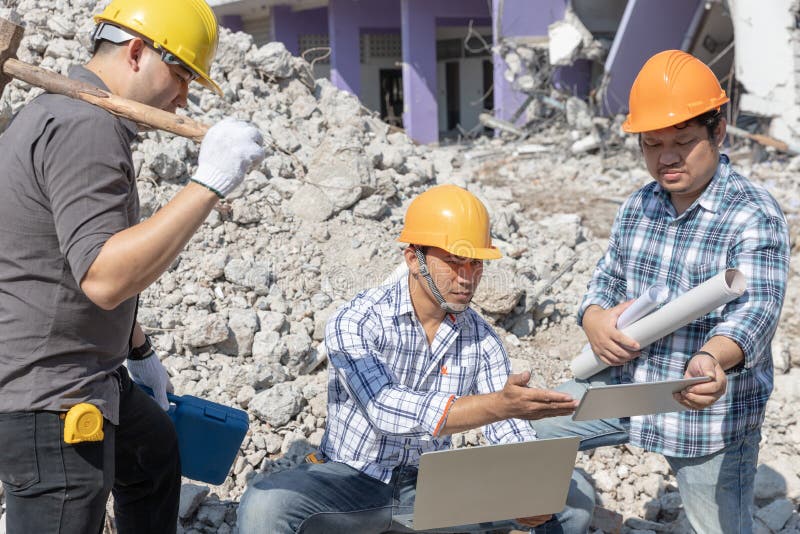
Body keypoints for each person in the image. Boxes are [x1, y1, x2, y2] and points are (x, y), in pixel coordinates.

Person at [0, 0, 265, 532]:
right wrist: (208, 183)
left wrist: (138, 347)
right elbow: (103, 276)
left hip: (87, 371)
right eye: (183, 74)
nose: (183, 95)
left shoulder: (63, 115)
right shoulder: (84, 127)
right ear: (138, 51)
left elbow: (55, 261)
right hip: (52, 398)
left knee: (153, 453)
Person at [237, 184, 596, 533]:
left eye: (475, 265)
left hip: (432, 486)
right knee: (265, 506)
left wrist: (528, 483)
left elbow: (507, 428)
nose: (466, 278)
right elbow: (385, 407)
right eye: (454, 262)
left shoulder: (482, 339)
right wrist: (498, 405)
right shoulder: (359, 320)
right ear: (413, 258)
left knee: (568, 499)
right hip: (352, 481)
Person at [531, 50, 790, 533]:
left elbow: (757, 310)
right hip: (629, 390)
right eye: (652, 144)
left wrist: (712, 358)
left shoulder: (752, 213)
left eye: (683, 141)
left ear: (718, 131)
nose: (666, 157)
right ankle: (559, 512)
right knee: (529, 427)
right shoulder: (640, 205)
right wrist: (594, 319)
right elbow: (606, 278)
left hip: (704, 412)